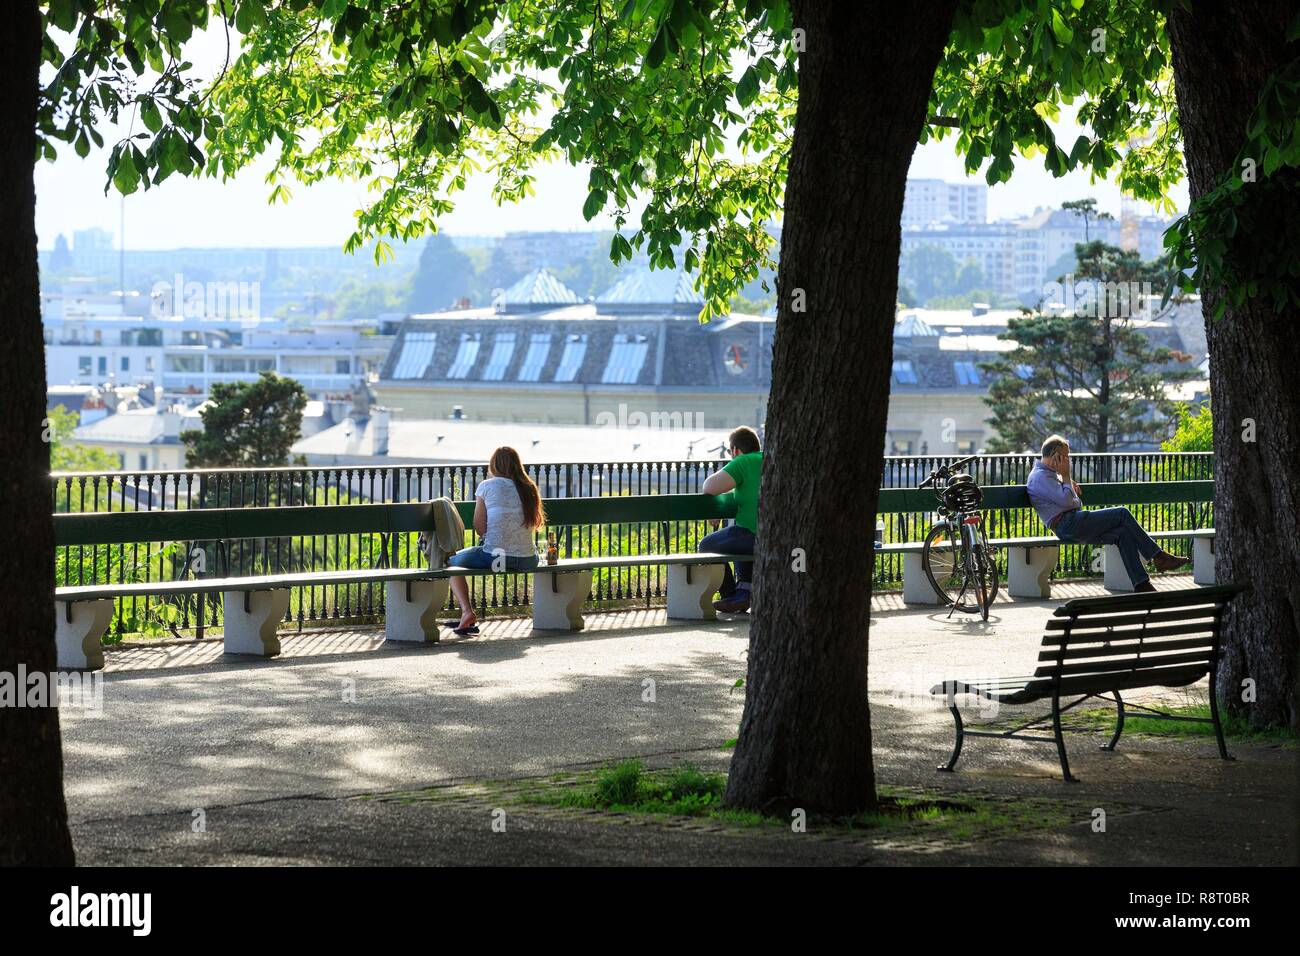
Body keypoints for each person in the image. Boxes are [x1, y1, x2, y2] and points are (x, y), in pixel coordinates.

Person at [1027, 434, 1188, 593]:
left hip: (1073, 522)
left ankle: (1141, 584)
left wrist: (1066, 484)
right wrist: (1067, 478)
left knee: (1122, 533)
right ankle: (1158, 556)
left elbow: (1076, 503)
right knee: (1122, 513)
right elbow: (1070, 502)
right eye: (1066, 456)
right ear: (1056, 455)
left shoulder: (1050, 475)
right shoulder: (1040, 477)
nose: (1068, 461)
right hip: (1068, 525)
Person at [446, 446, 544, 634]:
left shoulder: (486, 486)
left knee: (450, 562)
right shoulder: (529, 487)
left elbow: (478, 525)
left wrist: (489, 539)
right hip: (527, 560)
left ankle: (467, 612)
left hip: (495, 558)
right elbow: (535, 522)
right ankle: (465, 617)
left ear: (494, 465)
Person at [700, 426, 763, 613]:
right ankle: (745, 590)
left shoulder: (742, 461)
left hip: (751, 532)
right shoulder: (767, 458)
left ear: (735, 450)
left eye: (730, 451)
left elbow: (709, 486)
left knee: (707, 546)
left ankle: (731, 595)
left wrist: (715, 508)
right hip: (775, 534)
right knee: (737, 536)